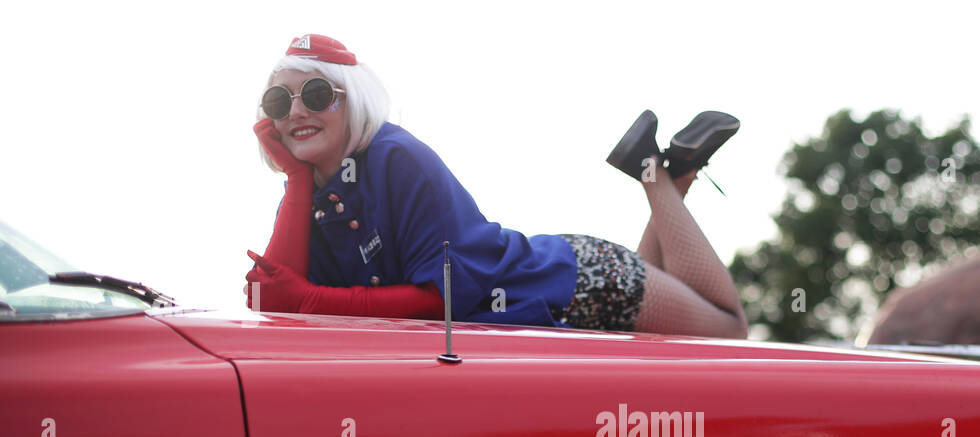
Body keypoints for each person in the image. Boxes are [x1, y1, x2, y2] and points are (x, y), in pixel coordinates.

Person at [246, 34, 748, 338]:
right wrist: (295, 178)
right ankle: (677, 172)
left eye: (315, 93)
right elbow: (276, 308)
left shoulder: (396, 156)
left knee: (728, 327)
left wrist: (313, 301)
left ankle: (654, 171)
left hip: (575, 285)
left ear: (351, 99)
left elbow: (438, 300)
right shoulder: (309, 197)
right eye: (277, 101)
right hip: (561, 287)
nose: (294, 111)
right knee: (668, 297)